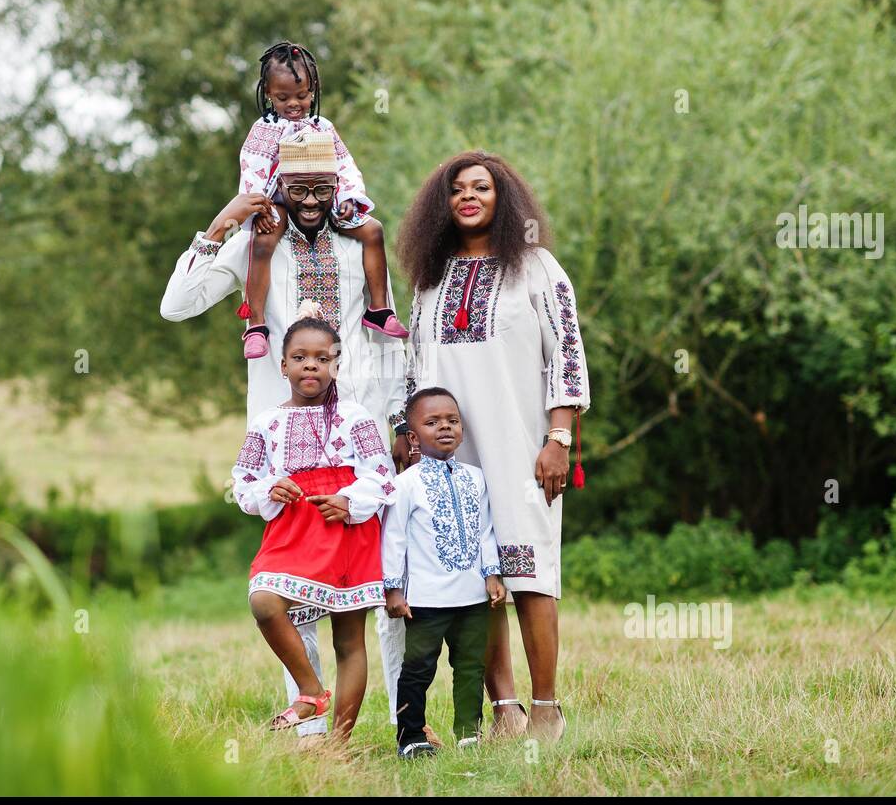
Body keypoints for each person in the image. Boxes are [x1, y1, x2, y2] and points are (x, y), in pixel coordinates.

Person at [160, 129, 410, 742]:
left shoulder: (359, 243)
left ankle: (405, 724)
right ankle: (310, 730)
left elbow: (387, 335)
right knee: (288, 588)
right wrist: (220, 225)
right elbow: (176, 305)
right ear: (275, 184)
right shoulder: (255, 243)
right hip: (283, 448)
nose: (309, 199)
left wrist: (401, 416)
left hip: (361, 436)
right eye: (296, 185)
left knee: (376, 588)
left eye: (321, 186)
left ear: (337, 185)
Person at [396, 150, 591, 742]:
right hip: (450, 457)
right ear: (444, 204)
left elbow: (568, 356)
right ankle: (503, 707)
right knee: (476, 583)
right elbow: (414, 368)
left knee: (531, 575)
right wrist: (407, 436)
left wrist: (559, 438)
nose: (469, 197)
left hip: (522, 446)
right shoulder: (431, 280)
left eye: (481, 187)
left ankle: (548, 708)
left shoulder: (536, 267)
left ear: (503, 199)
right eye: (457, 190)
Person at [232, 303, 397, 739]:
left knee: (349, 641)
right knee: (264, 601)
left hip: (347, 532)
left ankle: (339, 744)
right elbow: (242, 482)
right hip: (292, 532)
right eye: (301, 357)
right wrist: (270, 488)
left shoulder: (355, 416)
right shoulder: (267, 424)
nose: (312, 365)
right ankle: (309, 690)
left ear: (336, 366)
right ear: (283, 365)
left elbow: (382, 475)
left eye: (323, 359)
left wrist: (350, 501)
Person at [235, 40, 407, 360]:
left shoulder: (323, 127)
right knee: (263, 240)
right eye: (283, 97)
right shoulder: (263, 130)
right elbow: (253, 170)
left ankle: (379, 308)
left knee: (373, 230)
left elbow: (344, 166)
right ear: (268, 94)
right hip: (281, 201)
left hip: (326, 199)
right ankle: (256, 324)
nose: (294, 104)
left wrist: (349, 199)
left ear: (313, 91)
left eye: (302, 96)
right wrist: (257, 208)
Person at [383, 387, 505, 759]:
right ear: (413, 436)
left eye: (452, 420)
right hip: (426, 600)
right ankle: (411, 737)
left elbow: (486, 529)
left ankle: (469, 734)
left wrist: (492, 574)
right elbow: (394, 538)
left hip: (472, 597)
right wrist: (393, 590)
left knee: (470, 666)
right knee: (418, 668)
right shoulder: (406, 484)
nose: (445, 428)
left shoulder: (476, 478)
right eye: (432, 422)